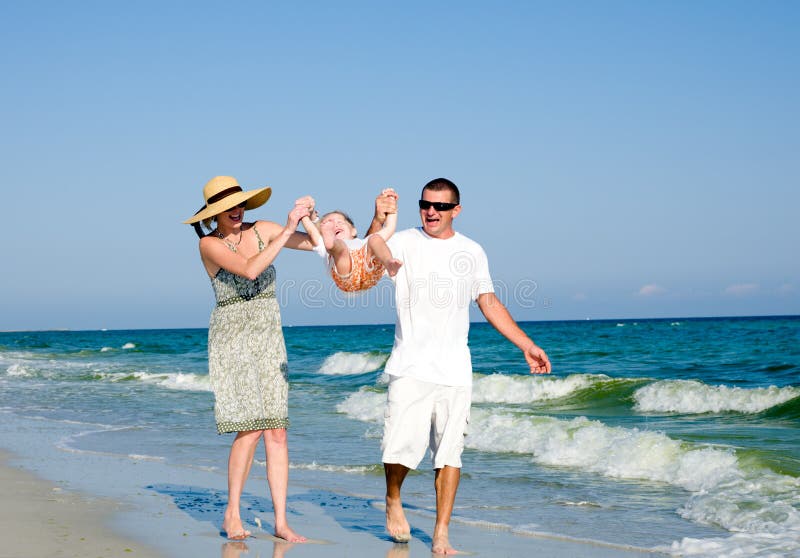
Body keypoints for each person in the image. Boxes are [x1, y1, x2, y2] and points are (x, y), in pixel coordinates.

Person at [380, 178, 551, 555]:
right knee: (398, 448)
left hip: (455, 369)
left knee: (450, 453)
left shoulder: (471, 251)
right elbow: (367, 256)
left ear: (456, 210)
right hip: (409, 365)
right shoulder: (403, 240)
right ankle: (393, 497)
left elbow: (487, 300)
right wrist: (379, 217)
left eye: (440, 206)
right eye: (425, 204)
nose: (431, 212)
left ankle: (441, 532)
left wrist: (526, 344)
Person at [183, 175, 319, 543]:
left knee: (277, 429)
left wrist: (311, 219)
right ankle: (232, 512)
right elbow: (249, 269)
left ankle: (281, 522)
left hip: (269, 335)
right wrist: (287, 226)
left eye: (241, 203)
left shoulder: (265, 229)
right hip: (234, 338)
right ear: (214, 214)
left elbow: (313, 244)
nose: (238, 211)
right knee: (251, 427)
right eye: (229, 208)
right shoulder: (209, 245)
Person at [302, 188, 403, 292]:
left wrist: (391, 203)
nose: (335, 225)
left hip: (370, 271)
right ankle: (331, 244)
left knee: (375, 239)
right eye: (329, 223)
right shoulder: (323, 243)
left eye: (340, 222)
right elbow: (312, 231)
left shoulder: (365, 242)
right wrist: (304, 216)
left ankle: (389, 262)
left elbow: (390, 227)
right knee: (341, 249)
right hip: (346, 275)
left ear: (353, 231)